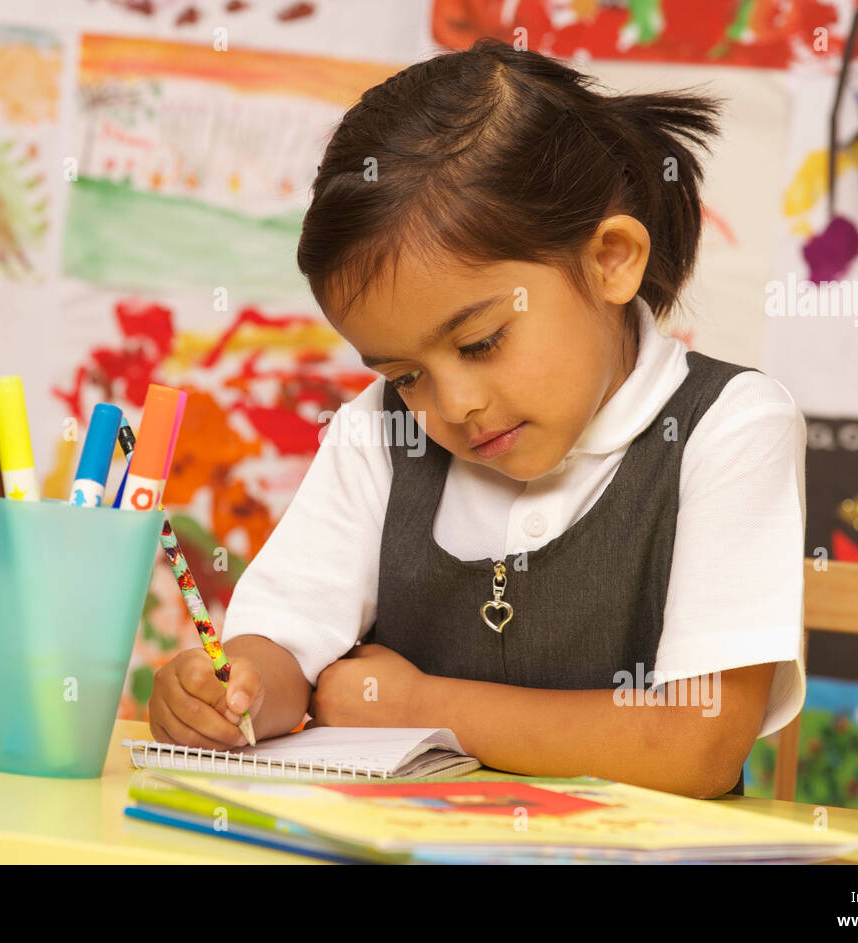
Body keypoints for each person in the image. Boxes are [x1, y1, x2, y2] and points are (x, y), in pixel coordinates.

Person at [148, 38, 806, 799]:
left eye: (482, 341)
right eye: (405, 374)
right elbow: (284, 649)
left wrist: (423, 709)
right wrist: (235, 694)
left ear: (612, 259)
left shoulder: (728, 427)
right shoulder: (380, 432)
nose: (451, 405)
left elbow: (695, 746)